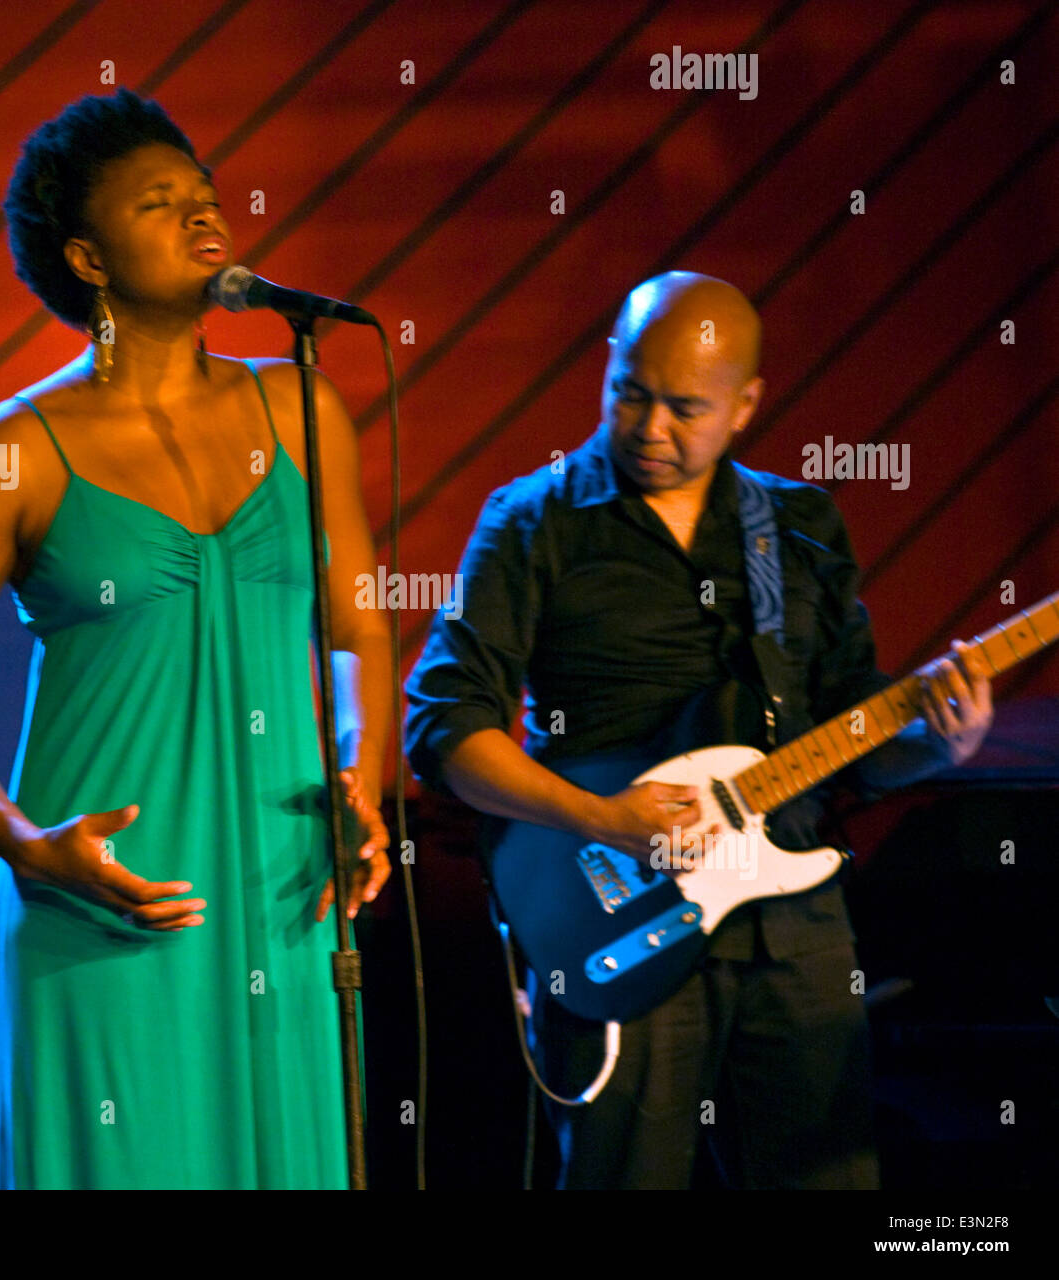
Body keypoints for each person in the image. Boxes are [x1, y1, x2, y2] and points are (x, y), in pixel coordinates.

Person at [0, 89, 393, 1190]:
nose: (203, 218)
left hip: (279, 881)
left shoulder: (300, 405)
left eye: (205, 197)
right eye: (159, 204)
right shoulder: (7, 451)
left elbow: (356, 624)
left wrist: (363, 774)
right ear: (88, 258)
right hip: (102, 894)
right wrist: (25, 841)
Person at [403, 271, 993, 1189]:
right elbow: (443, 730)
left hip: (793, 924)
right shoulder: (532, 522)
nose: (649, 427)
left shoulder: (795, 523)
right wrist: (604, 820)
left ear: (747, 403)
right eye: (630, 392)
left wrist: (939, 741)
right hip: (614, 916)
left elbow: (850, 732)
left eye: (684, 407)